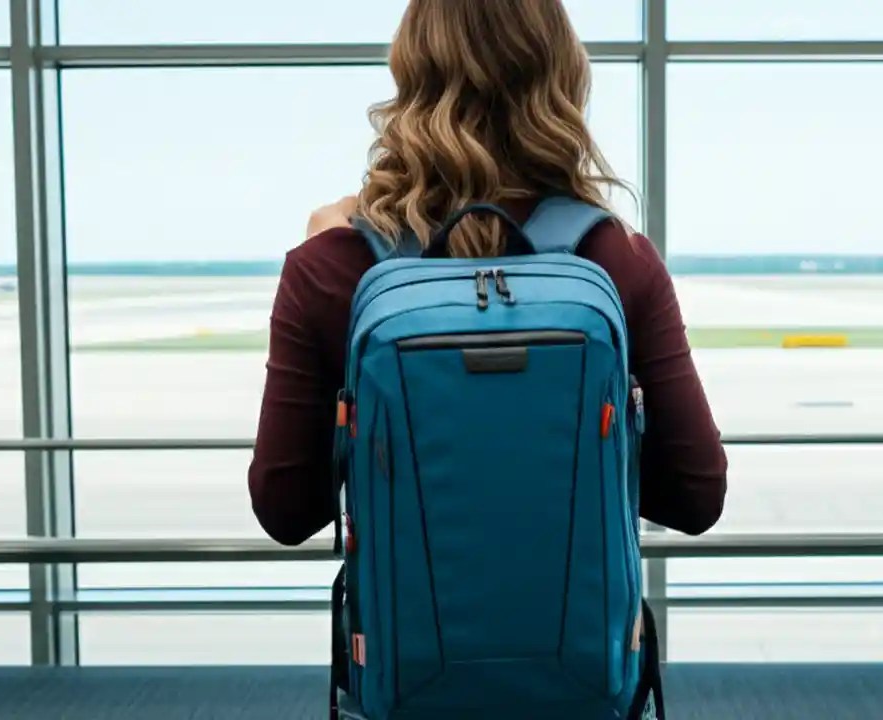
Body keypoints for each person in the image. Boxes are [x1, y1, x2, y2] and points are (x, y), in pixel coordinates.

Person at [248, 0, 726, 549]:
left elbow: (285, 510)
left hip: (403, 634)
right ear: (563, 78)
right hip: (580, 632)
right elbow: (696, 496)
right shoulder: (616, 261)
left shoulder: (332, 268)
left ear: (408, 78)